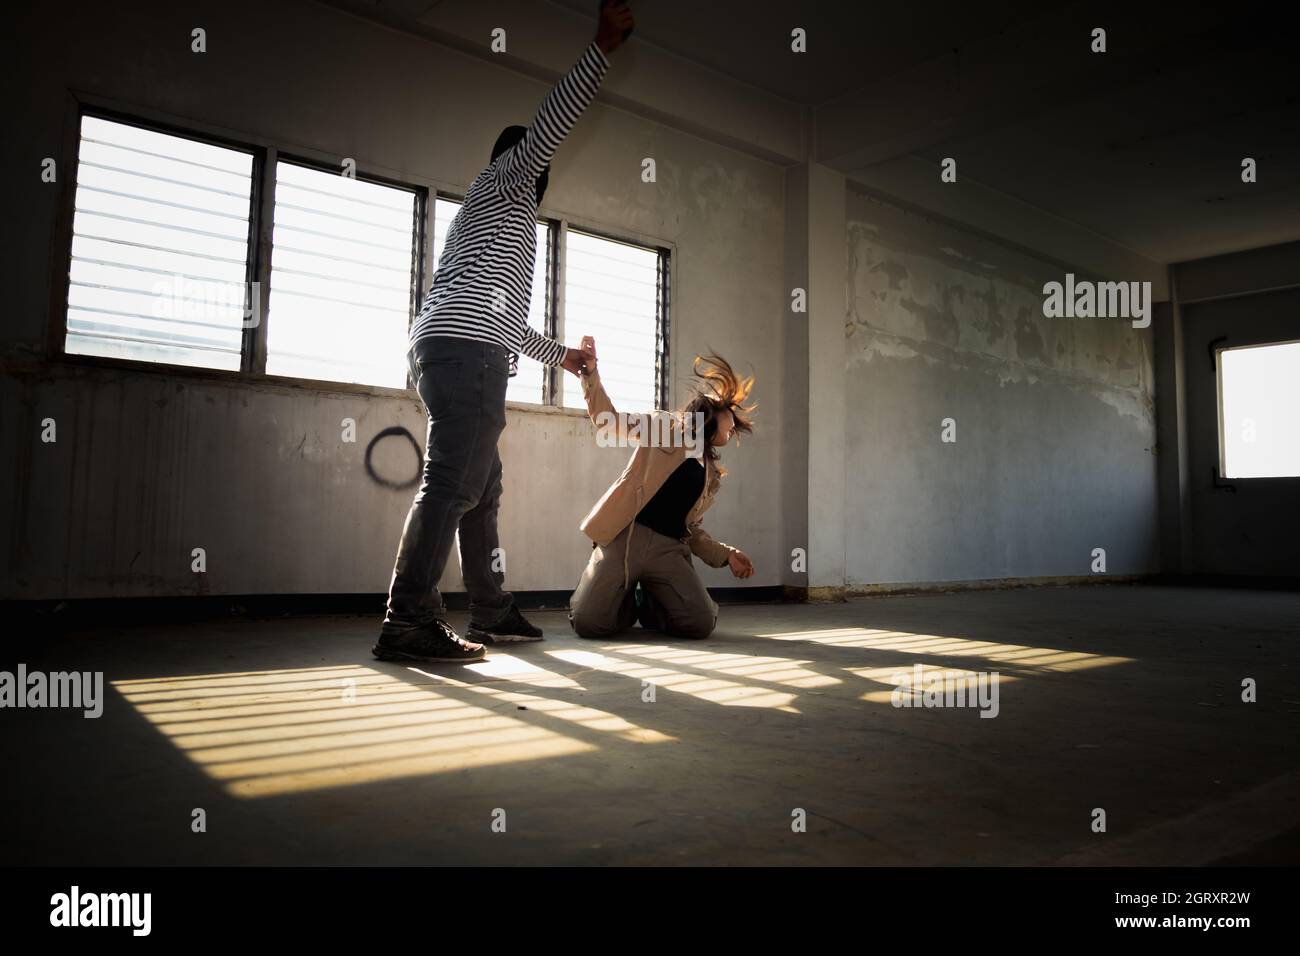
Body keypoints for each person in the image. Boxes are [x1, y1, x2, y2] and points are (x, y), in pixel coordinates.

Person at [375, 2, 636, 664]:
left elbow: (500, 321)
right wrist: (601, 48)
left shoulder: (489, 225)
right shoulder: (508, 182)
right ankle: (408, 617)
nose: (537, 168)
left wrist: (564, 358)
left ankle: (490, 611)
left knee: (479, 490)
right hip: (464, 357)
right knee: (453, 486)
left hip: (452, 347)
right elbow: (550, 126)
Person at [569, 335, 757, 640]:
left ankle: (654, 603)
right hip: (624, 539)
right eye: (730, 417)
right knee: (588, 622)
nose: (734, 425)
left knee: (700, 623)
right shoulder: (664, 427)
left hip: (668, 550)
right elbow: (608, 422)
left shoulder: (711, 476)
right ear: (711, 411)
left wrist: (727, 554)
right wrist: (590, 374)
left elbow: (691, 529)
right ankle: (626, 597)